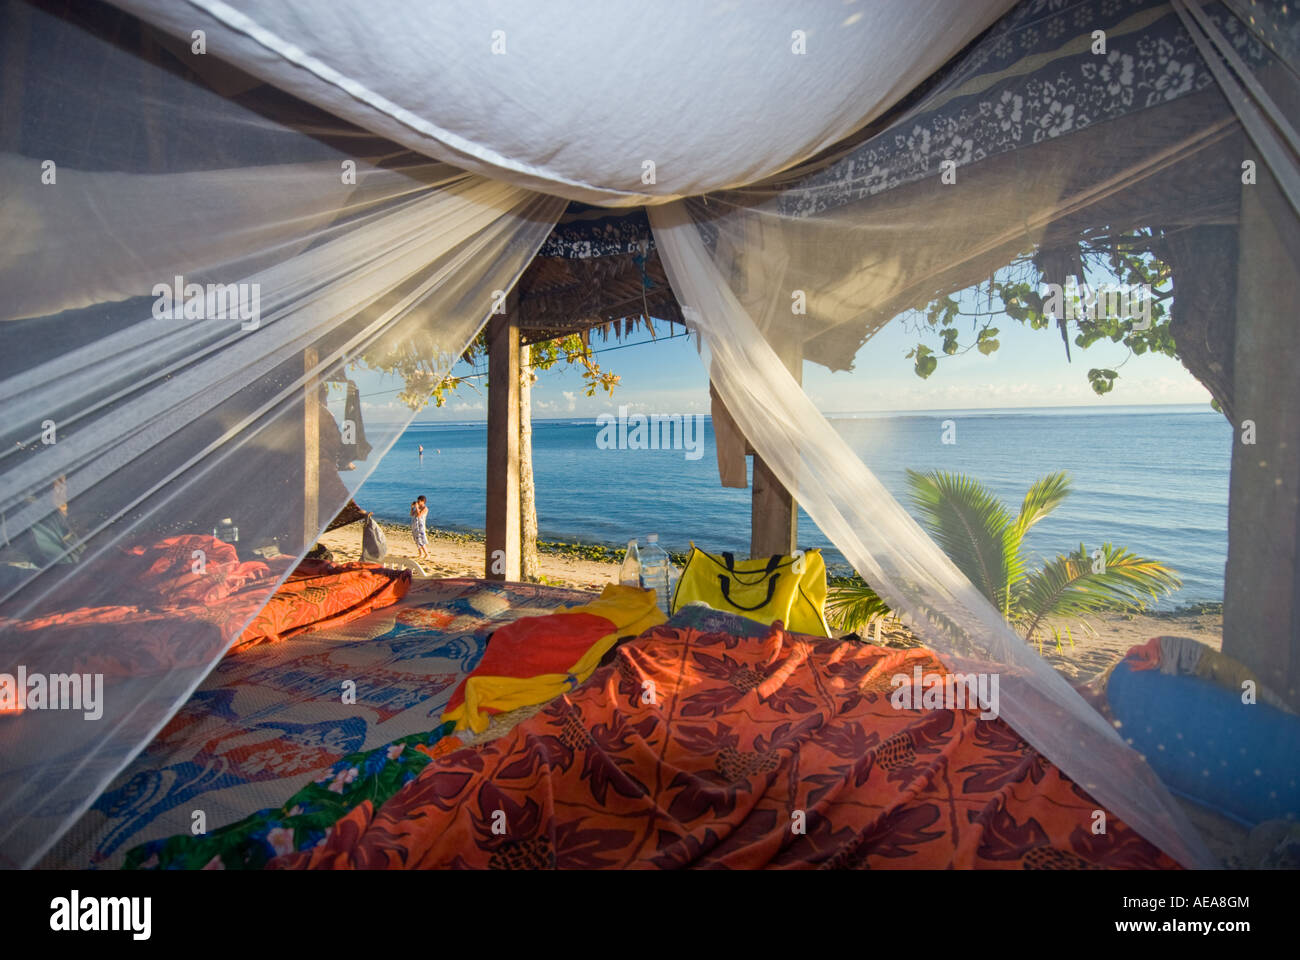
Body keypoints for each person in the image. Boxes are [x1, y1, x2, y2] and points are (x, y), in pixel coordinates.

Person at [409, 495, 429, 560]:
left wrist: (417, 507)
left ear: (423, 501)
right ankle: (420, 553)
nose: (418, 502)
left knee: (421, 540)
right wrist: (412, 508)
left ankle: (426, 554)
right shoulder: (418, 508)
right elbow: (411, 514)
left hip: (420, 526)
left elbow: (419, 515)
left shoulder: (425, 508)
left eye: (419, 501)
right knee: (416, 539)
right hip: (415, 525)